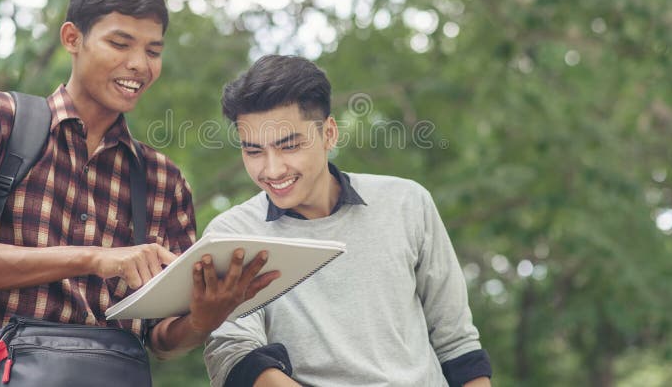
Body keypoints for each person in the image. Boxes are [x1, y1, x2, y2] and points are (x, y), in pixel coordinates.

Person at [0, 0, 278, 387]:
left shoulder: (164, 181)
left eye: (153, 51)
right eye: (119, 44)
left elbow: (161, 338)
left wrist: (204, 318)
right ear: (72, 38)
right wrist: (93, 258)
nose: (138, 64)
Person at [203, 55, 492, 387]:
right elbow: (236, 358)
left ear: (328, 134)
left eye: (289, 146)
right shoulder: (233, 235)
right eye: (254, 152)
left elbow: (458, 347)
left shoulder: (407, 202)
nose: (272, 169)